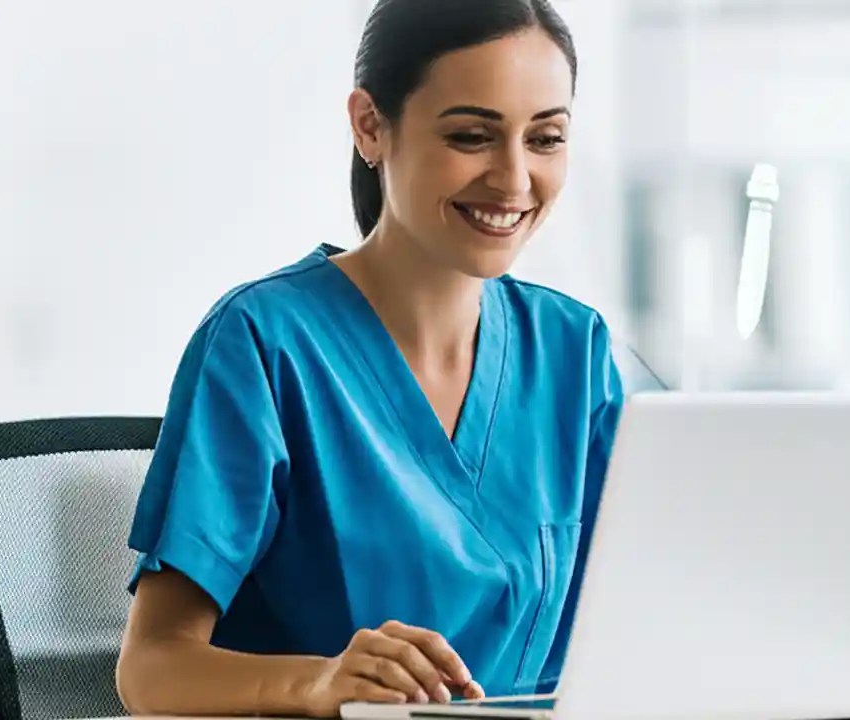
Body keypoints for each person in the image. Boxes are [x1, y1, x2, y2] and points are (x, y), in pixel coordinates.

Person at [114, 1, 624, 716]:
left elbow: (641, 622)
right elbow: (150, 671)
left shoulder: (576, 353)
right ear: (370, 126)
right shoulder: (264, 343)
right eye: (472, 136)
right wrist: (320, 683)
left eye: (545, 139)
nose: (514, 180)